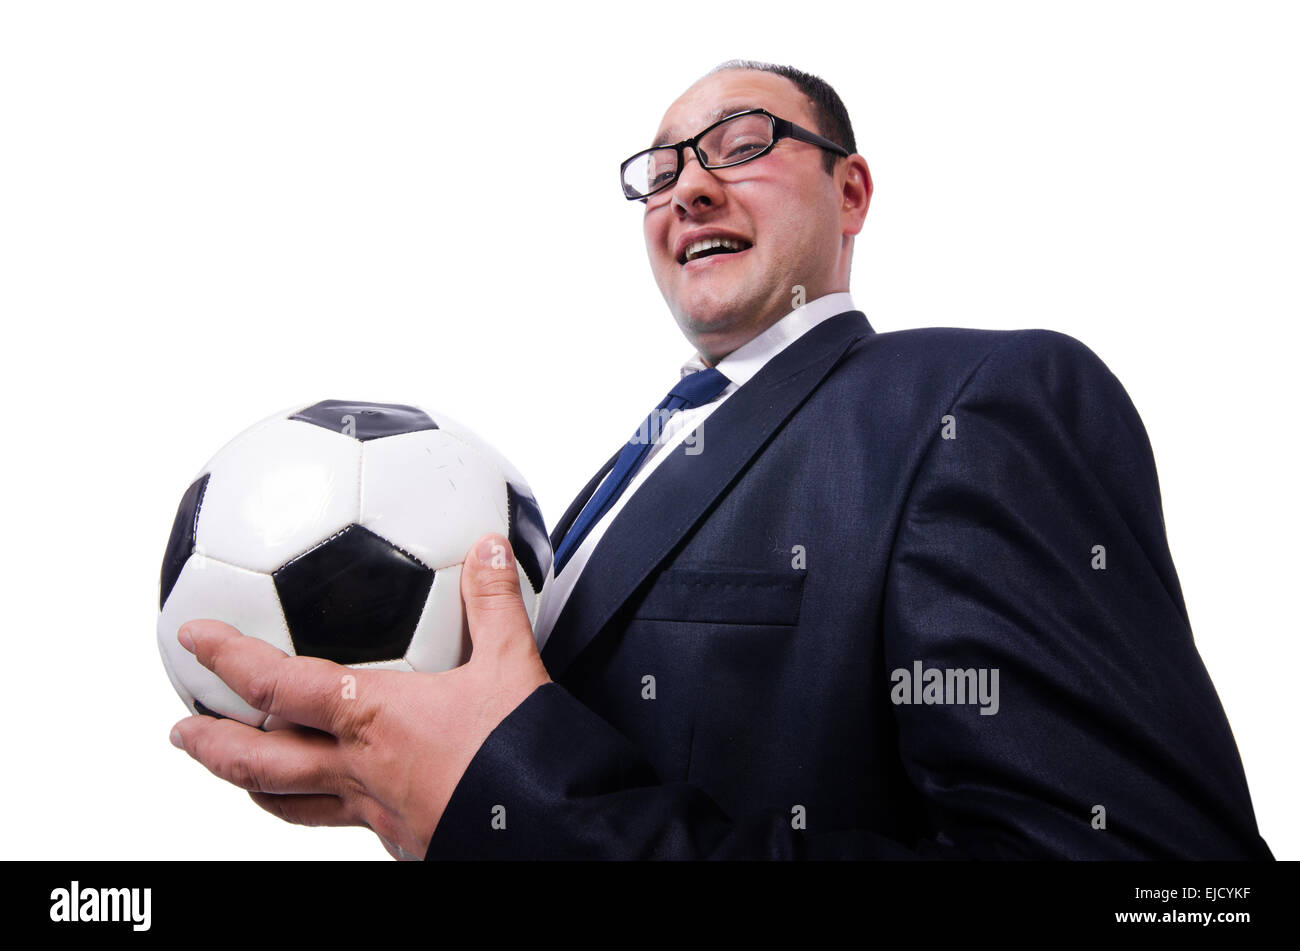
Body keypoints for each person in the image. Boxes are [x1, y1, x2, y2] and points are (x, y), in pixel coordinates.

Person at [170, 60, 1273, 860]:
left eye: (742, 144)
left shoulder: (972, 401)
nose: (689, 187)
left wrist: (519, 811)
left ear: (851, 194)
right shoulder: (620, 475)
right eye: (660, 170)